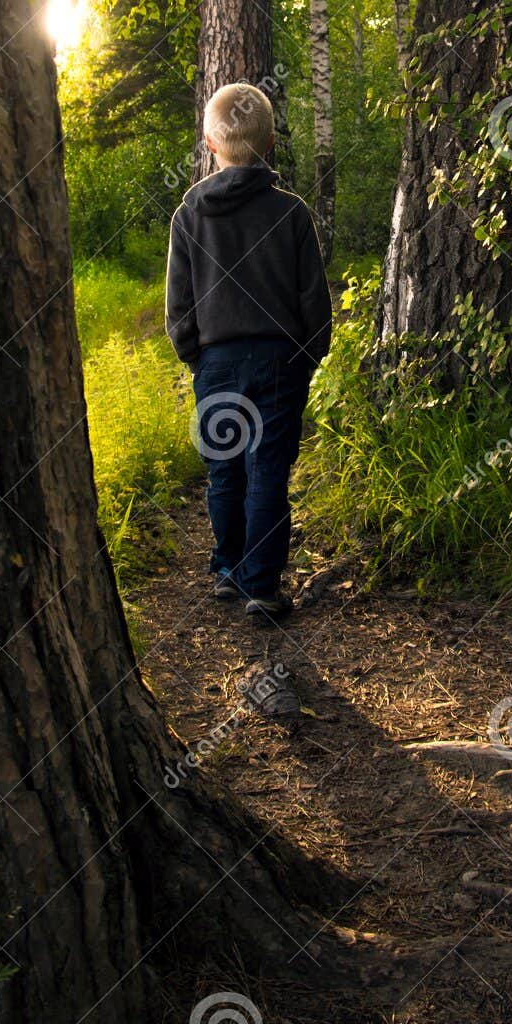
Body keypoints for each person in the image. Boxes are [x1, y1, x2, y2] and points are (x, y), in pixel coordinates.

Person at [165, 82, 332, 622]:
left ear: (211, 143)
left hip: (216, 362)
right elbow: (314, 300)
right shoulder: (292, 212)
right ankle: (261, 586)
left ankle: (227, 570)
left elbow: (179, 307)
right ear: (271, 144)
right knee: (268, 473)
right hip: (281, 360)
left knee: (225, 471)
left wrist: (197, 358)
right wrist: (308, 356)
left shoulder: (189, 215)